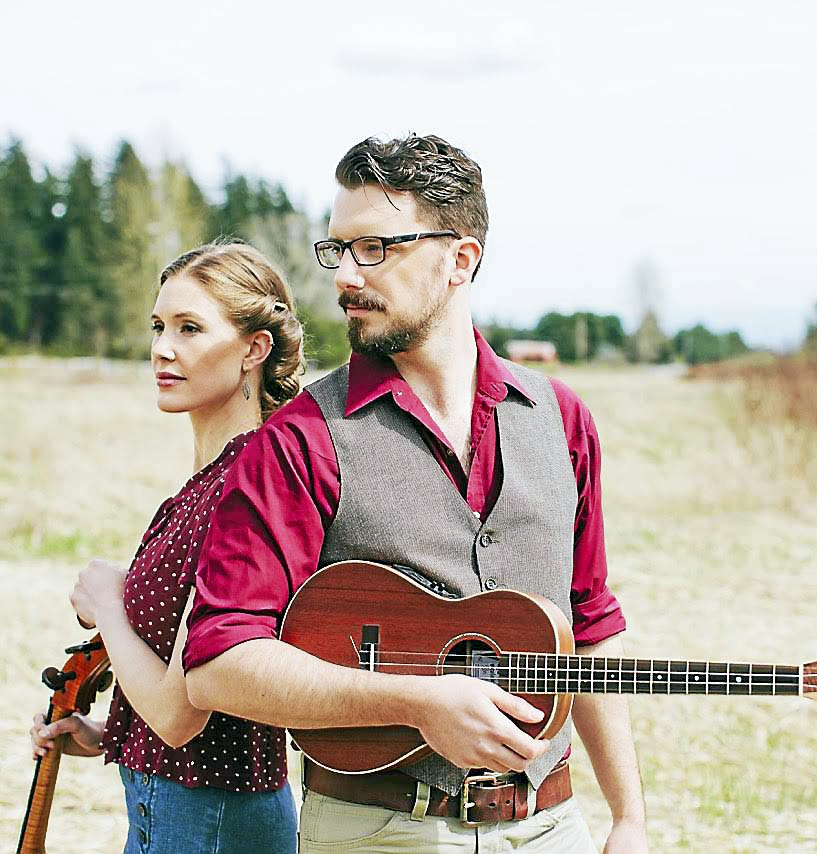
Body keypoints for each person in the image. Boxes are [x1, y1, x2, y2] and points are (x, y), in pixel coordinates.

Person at [182, 135, 648, 853]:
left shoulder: (564, 421)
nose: (345, 276)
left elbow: (588, 626)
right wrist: (417, 702)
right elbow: (219, 666)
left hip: (554, 828)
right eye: (337, 250)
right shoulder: (299, 440)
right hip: (376, 833)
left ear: (460, 260)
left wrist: (628, 818)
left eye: (375, 248)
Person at [30, 240, 306, 854]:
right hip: (184, 809)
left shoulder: (244, 489)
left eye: (190, 328)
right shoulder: (212, 480)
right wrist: (111, 732)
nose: (162, 348)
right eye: (158, 326)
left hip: (211, 820)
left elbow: (183, 717)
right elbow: (182, 698)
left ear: (254, 349)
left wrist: (108, 603)